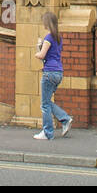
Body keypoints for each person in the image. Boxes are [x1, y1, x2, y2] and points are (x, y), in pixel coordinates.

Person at [33, 11, 72, 140]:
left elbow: (42, 55)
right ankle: (65, 119)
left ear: (47, 23)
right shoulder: (58, 38)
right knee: (47, 102)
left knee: (44, 105)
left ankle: (47, 133)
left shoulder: (48, 38)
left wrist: (37, 52)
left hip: (49, 72)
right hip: (58, 72)